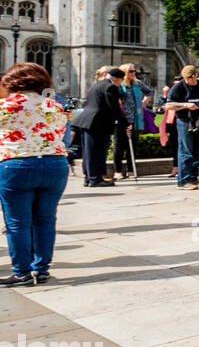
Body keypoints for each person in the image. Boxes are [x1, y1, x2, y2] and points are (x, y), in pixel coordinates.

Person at [0, 63, 69, 285]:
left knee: (18, 222)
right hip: (55, 163)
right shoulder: (52, 105)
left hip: (17, 164)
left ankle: (22, 272)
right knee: (46, 220)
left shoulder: (6, 105)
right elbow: (60, 131)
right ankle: (41, 269)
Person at [73, 67, 129, 188]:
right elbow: (114, 107)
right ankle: (95, 178)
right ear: (118, 79)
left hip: (87, 121)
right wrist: (125, 122)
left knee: (88, 152)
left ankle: (88, 177)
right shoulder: (110, 87)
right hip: (98, 123)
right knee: (97, 152)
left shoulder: (97, 85)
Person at [112, 63, 150, 180]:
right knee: (119, 145)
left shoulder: (137, 83)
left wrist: (144, 102)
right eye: (131, 71)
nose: (133, 73)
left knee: (132, 146)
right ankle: (117, 171)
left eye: (134, 71)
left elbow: (149, 92)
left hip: (135, 119)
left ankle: (130, 170)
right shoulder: (120, 85)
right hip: (121, 119)